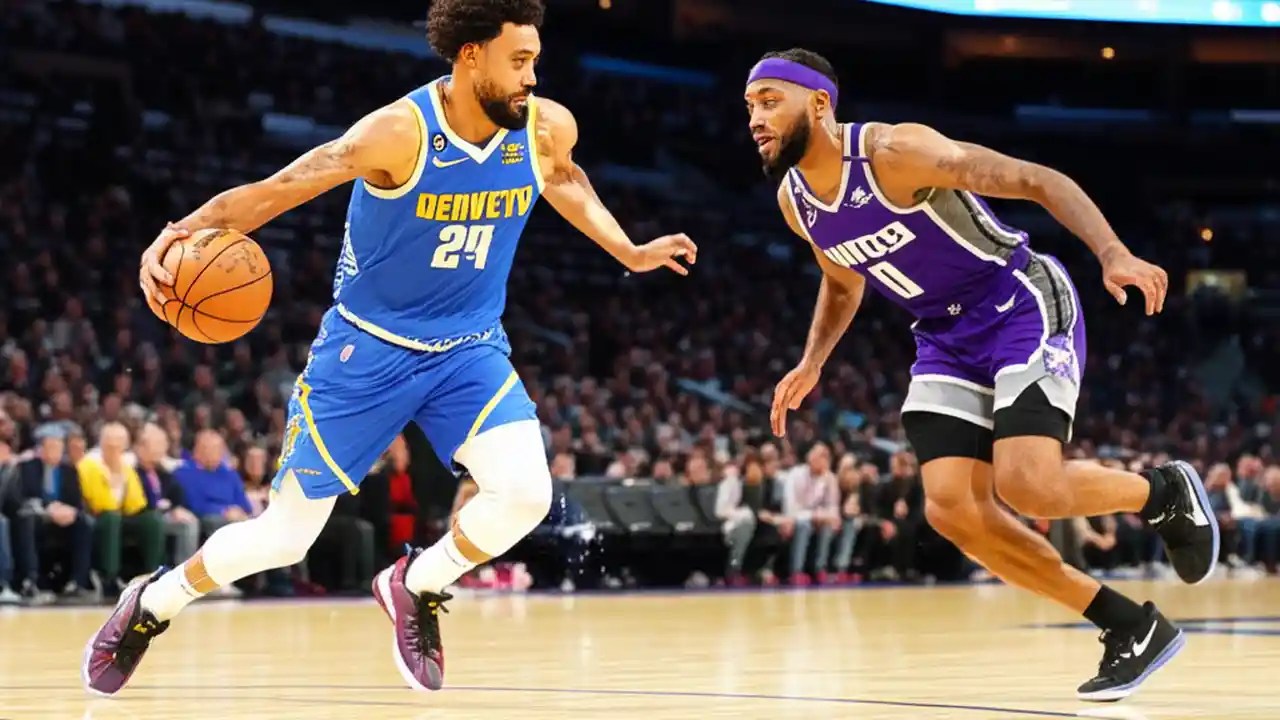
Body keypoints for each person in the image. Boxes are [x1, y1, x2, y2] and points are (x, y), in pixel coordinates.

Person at [84, 0, 695, 696]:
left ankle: (416, 583)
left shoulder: (546, 126)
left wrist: (630, 250)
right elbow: (278, 191)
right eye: (519, 61)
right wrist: (175, 234)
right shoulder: (397, 134)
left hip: (468, 349)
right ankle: (153, 603)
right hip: (367, 351)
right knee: (285, 538)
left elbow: (563, 179)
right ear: (471, 56)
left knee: (527, 493)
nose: (533, 76)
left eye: (535, 60)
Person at [744, 48, 1218, 701]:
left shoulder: (893, 153)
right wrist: (812, 362)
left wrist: (1112, 253)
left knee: (1030, 485)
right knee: (951, 509)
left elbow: (1036, 179)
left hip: (1017, 300)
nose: (756, 118)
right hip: (943, 335)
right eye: (750, 106)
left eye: (770, 100)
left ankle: (1161, 493)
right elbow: (842, 281)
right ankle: (1127, 624)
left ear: (819, 103)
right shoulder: (795, 201)